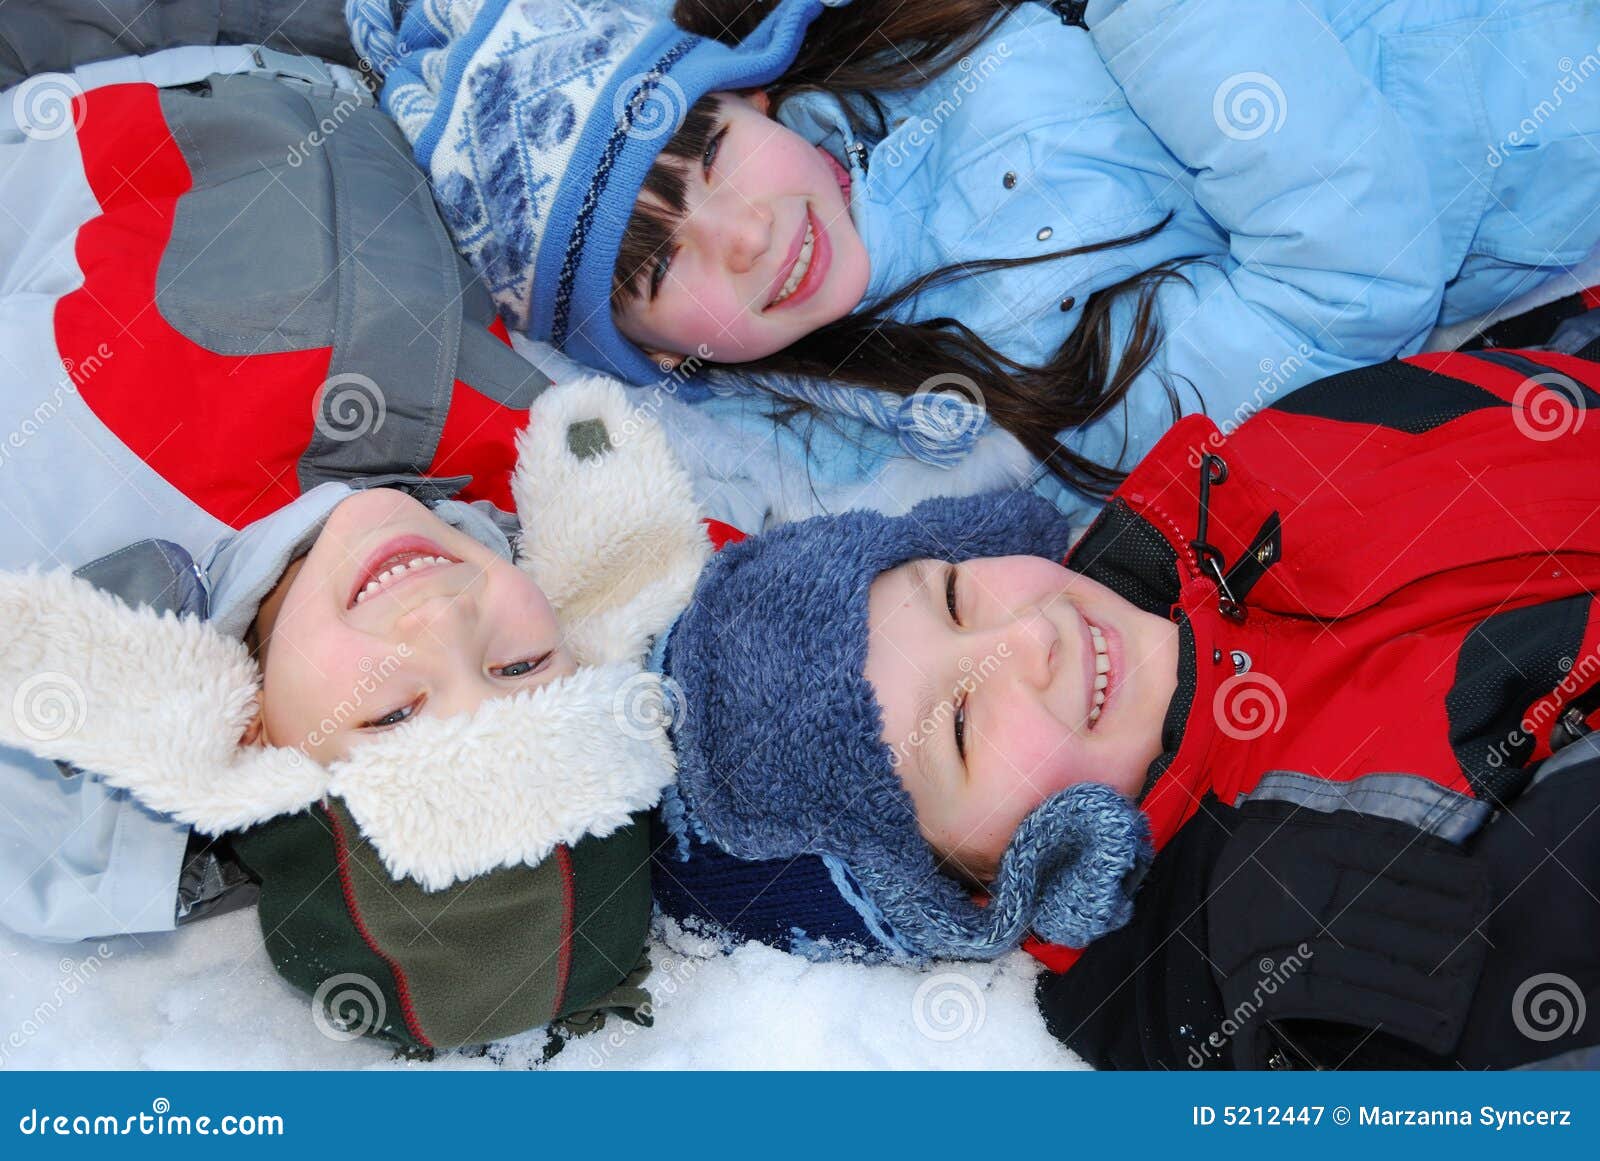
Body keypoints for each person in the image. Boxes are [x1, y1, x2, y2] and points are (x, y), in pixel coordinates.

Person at [651, 340, 1600, 1068]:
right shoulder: (1256, 934)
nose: (1028, 637)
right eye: (964, 726)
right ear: (978, 886)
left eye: (953, 595)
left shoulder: (1245, 474)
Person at [347, 0, 1600, 521]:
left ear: (759, 100)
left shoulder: (904, 44)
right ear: (662, 355)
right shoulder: (1001, 405)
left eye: (711, 154)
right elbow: (1351, 294)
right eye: (659, 266)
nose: (741, 232)